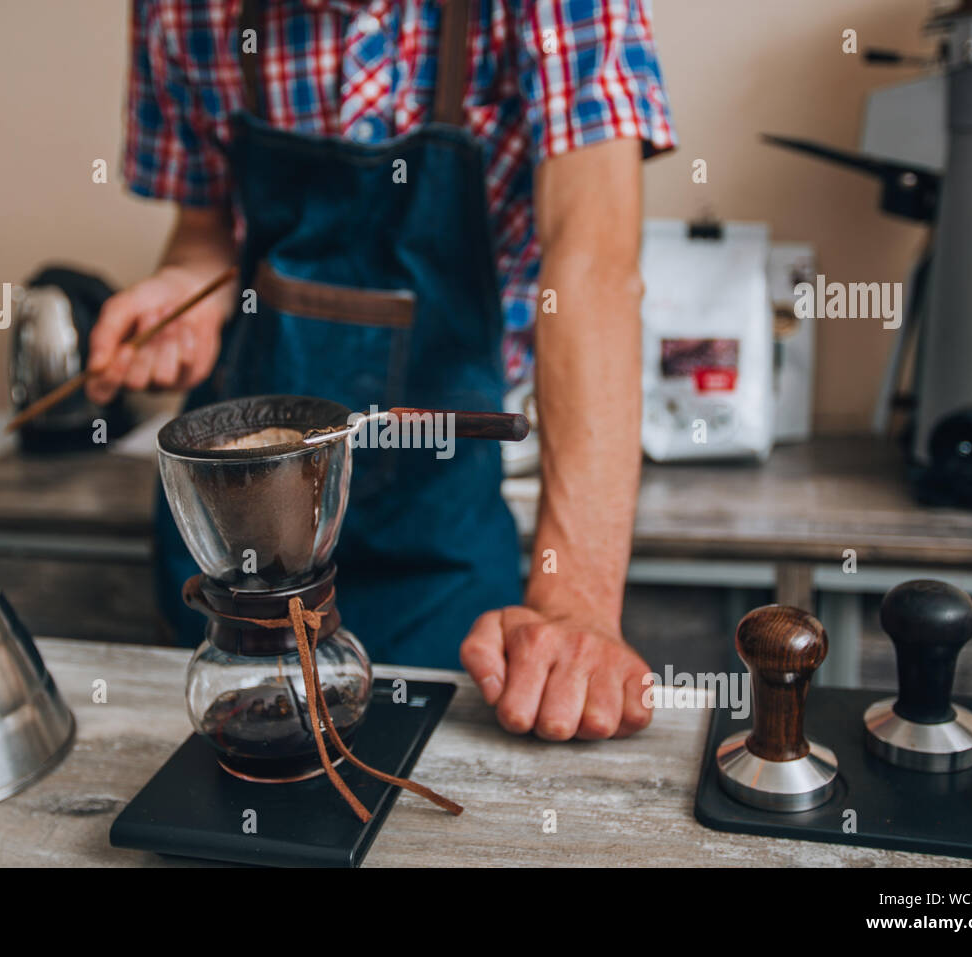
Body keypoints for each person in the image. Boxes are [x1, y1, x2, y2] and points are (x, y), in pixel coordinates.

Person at [87, 0, 675, 741]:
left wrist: (573, 603)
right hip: (240, 526)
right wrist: (183, 291)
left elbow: (590, 267)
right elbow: (205, 237)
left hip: (438, 521)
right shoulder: (179, 11)